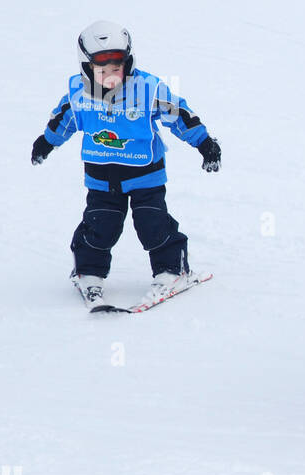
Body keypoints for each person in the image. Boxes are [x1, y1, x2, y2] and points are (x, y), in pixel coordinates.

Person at [31, 21, 220, 304]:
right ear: (86, 65)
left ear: (128, 62)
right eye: (101, 68)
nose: (110, 74)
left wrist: (204, 143)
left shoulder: (148, 89)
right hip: (101, 178)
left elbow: (180, 115)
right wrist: (46, 142)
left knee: (153, 224)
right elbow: (63, 121)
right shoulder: (78, 95)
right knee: (99, 226)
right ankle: (88, 272)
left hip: (146, 175)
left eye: (116, 66)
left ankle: (173, 270)